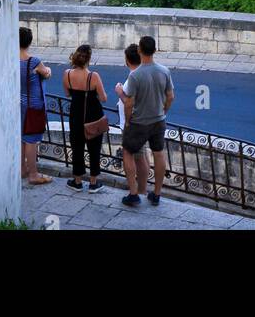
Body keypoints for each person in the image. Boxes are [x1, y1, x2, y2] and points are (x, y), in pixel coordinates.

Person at [118, 34, 174, 208]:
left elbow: (129, 103)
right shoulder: (165, 71)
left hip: (139, 122)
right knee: (158, 154)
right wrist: (164, 111)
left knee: (127, 151)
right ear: (155, 50)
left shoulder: (136, 75)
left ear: (140, 50)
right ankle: (156, 194)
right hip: (159, 120)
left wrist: (128, 121)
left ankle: (133, 193)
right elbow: (170, 96)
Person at [63, 44, 108, 191]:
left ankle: (77, 181)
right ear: (88, 59)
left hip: (76, 114)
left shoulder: (67, 74)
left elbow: (67, 94)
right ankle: (93, 183)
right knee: (94, 148)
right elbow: (103, 98)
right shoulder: (93, 76)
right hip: (93, 116)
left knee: (77, 147)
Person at [19, 26, 52, 185]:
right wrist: (49, 70)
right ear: (29, 42)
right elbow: (46, 73)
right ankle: (33, 174)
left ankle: (22, 169)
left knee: (20, 138)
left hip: (19, 104)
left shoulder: (11, 58)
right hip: (34, 104)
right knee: (31, 139)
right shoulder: (33, 61)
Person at [116, 43, 148, 199]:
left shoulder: (133, 78)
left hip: (133, 124)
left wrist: (120, 92)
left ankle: (135, 192)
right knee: (142, 156)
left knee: (131, 156)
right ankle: (142, 189)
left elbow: (129, 102)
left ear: (127, 60)